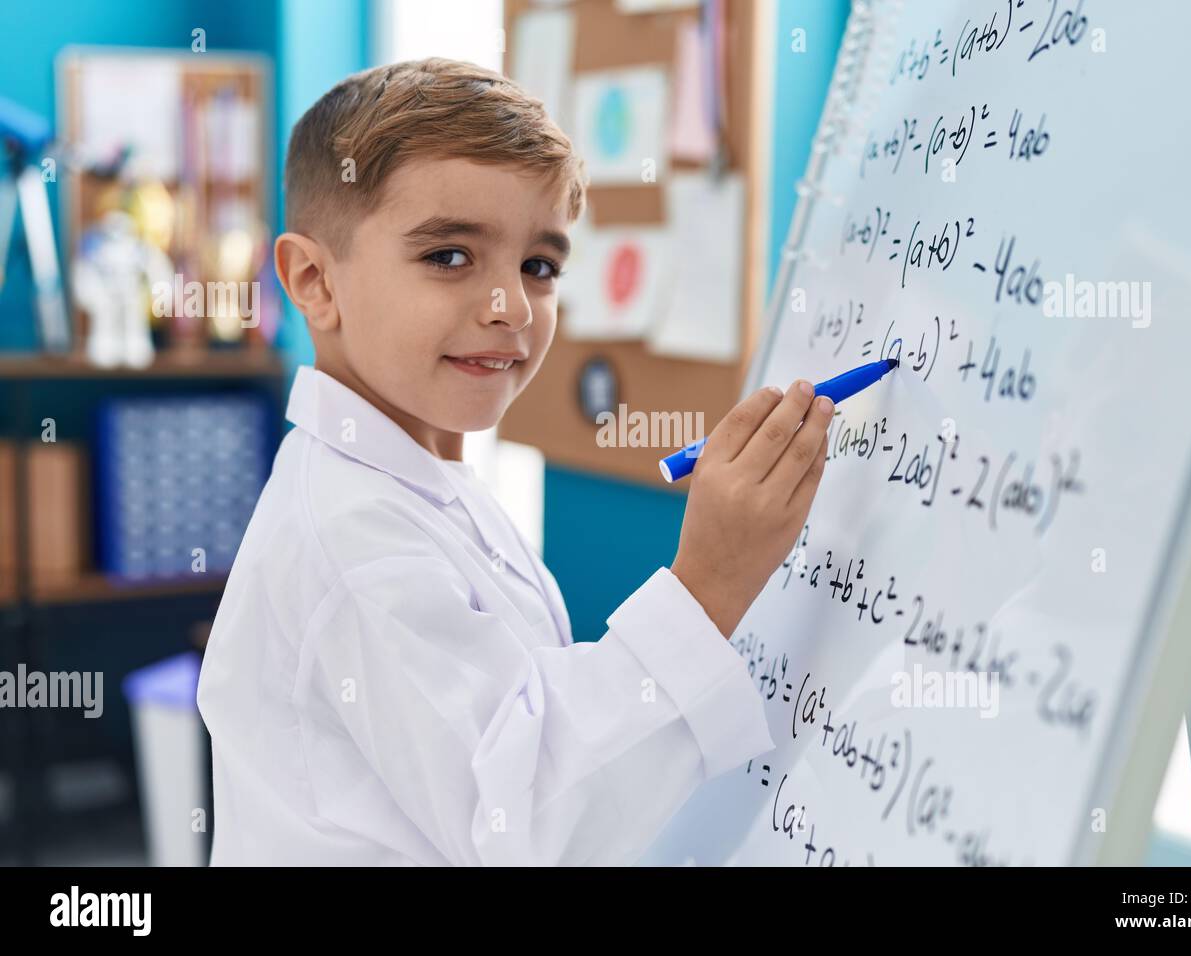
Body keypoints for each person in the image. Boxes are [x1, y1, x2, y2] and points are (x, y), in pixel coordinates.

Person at [197, 58, 835, 865]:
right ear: (315, 281)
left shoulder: (424, 478)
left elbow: (522, 720)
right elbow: (519, 825)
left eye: (539, 266)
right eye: (449, 256)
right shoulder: (350, 537)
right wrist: (710, 582)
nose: (508, 307)